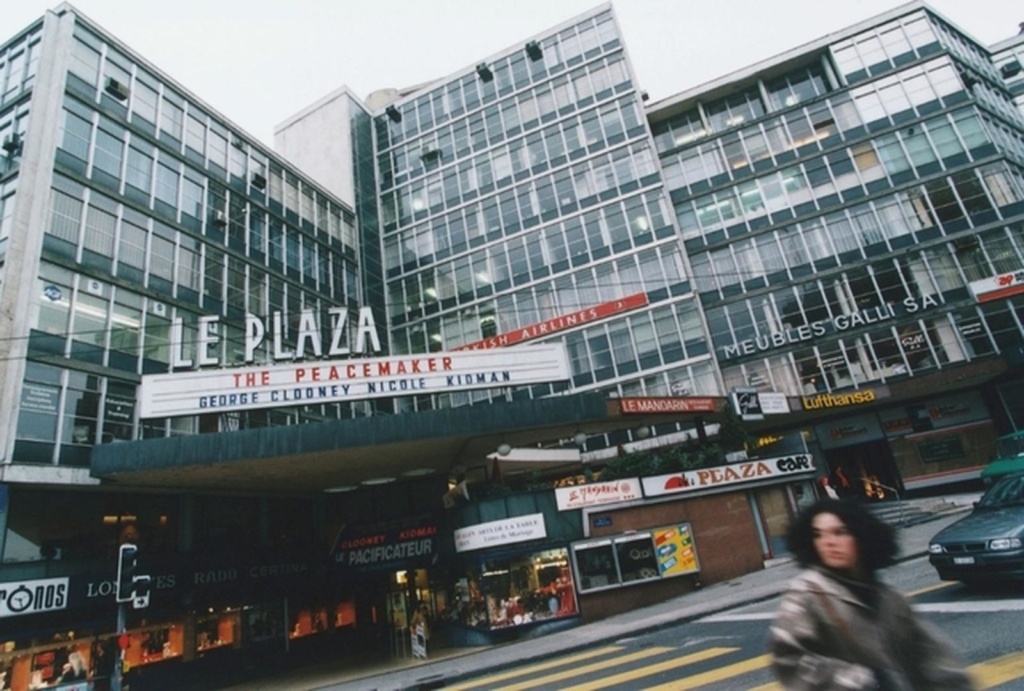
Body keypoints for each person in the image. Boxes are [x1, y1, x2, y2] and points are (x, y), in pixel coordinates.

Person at [768, 498, 973, 690]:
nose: (828, 542)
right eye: (818, 534)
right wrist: (855, 680)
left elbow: (932, 658)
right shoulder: (807, 593)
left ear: (861, 536)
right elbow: (788, 658)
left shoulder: (890, 598)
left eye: (839, 532)